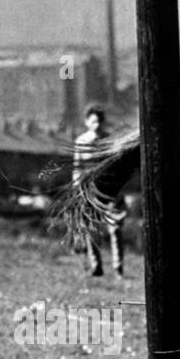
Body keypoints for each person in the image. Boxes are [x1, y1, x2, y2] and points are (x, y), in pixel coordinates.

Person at [76, 104, 125, 277]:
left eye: (100, 122)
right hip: (91, 190)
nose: (97, 125)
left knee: (115, 228)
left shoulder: (110, 141)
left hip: (110, 189)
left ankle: (118, 267)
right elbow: (78, 168)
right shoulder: (81, 142)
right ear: (87, 123)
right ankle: (96, 267)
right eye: (93, 122)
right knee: (92, 229)